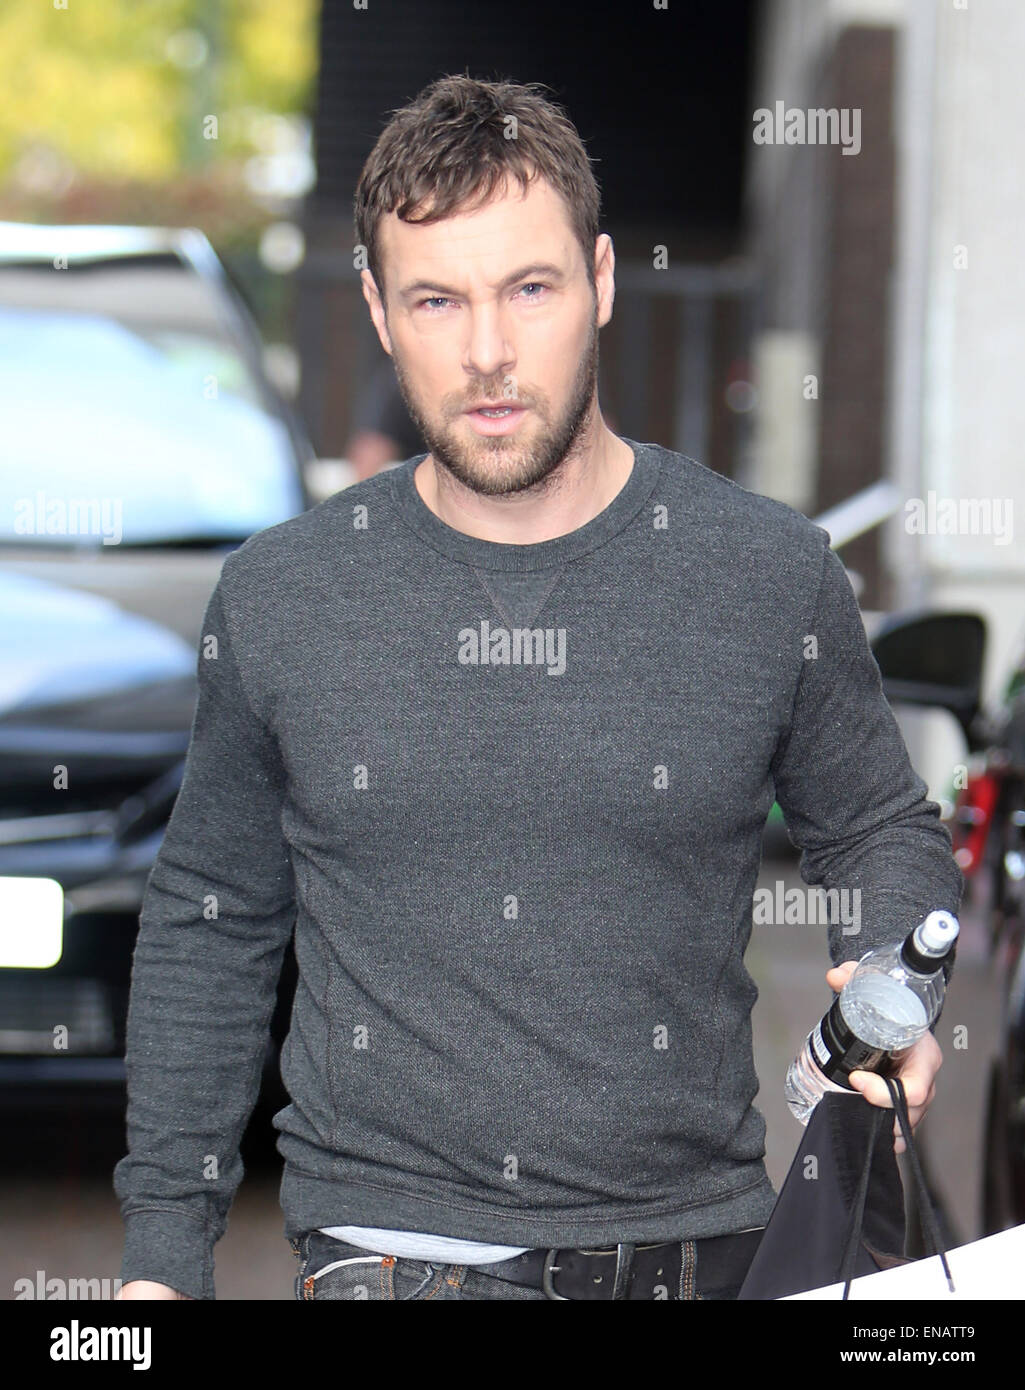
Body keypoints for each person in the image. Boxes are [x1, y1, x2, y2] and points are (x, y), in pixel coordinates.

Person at [114, 74, 963, 1302]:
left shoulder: (766, 575)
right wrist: (157, 1265)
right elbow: (212, 921)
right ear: (376, 309)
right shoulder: (284, 597)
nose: (488, 352)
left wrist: (891, 969)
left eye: (528, 287)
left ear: (602, 280)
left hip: (704, 1253)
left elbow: (878, 824)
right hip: (395, 1259)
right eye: (436, 299)